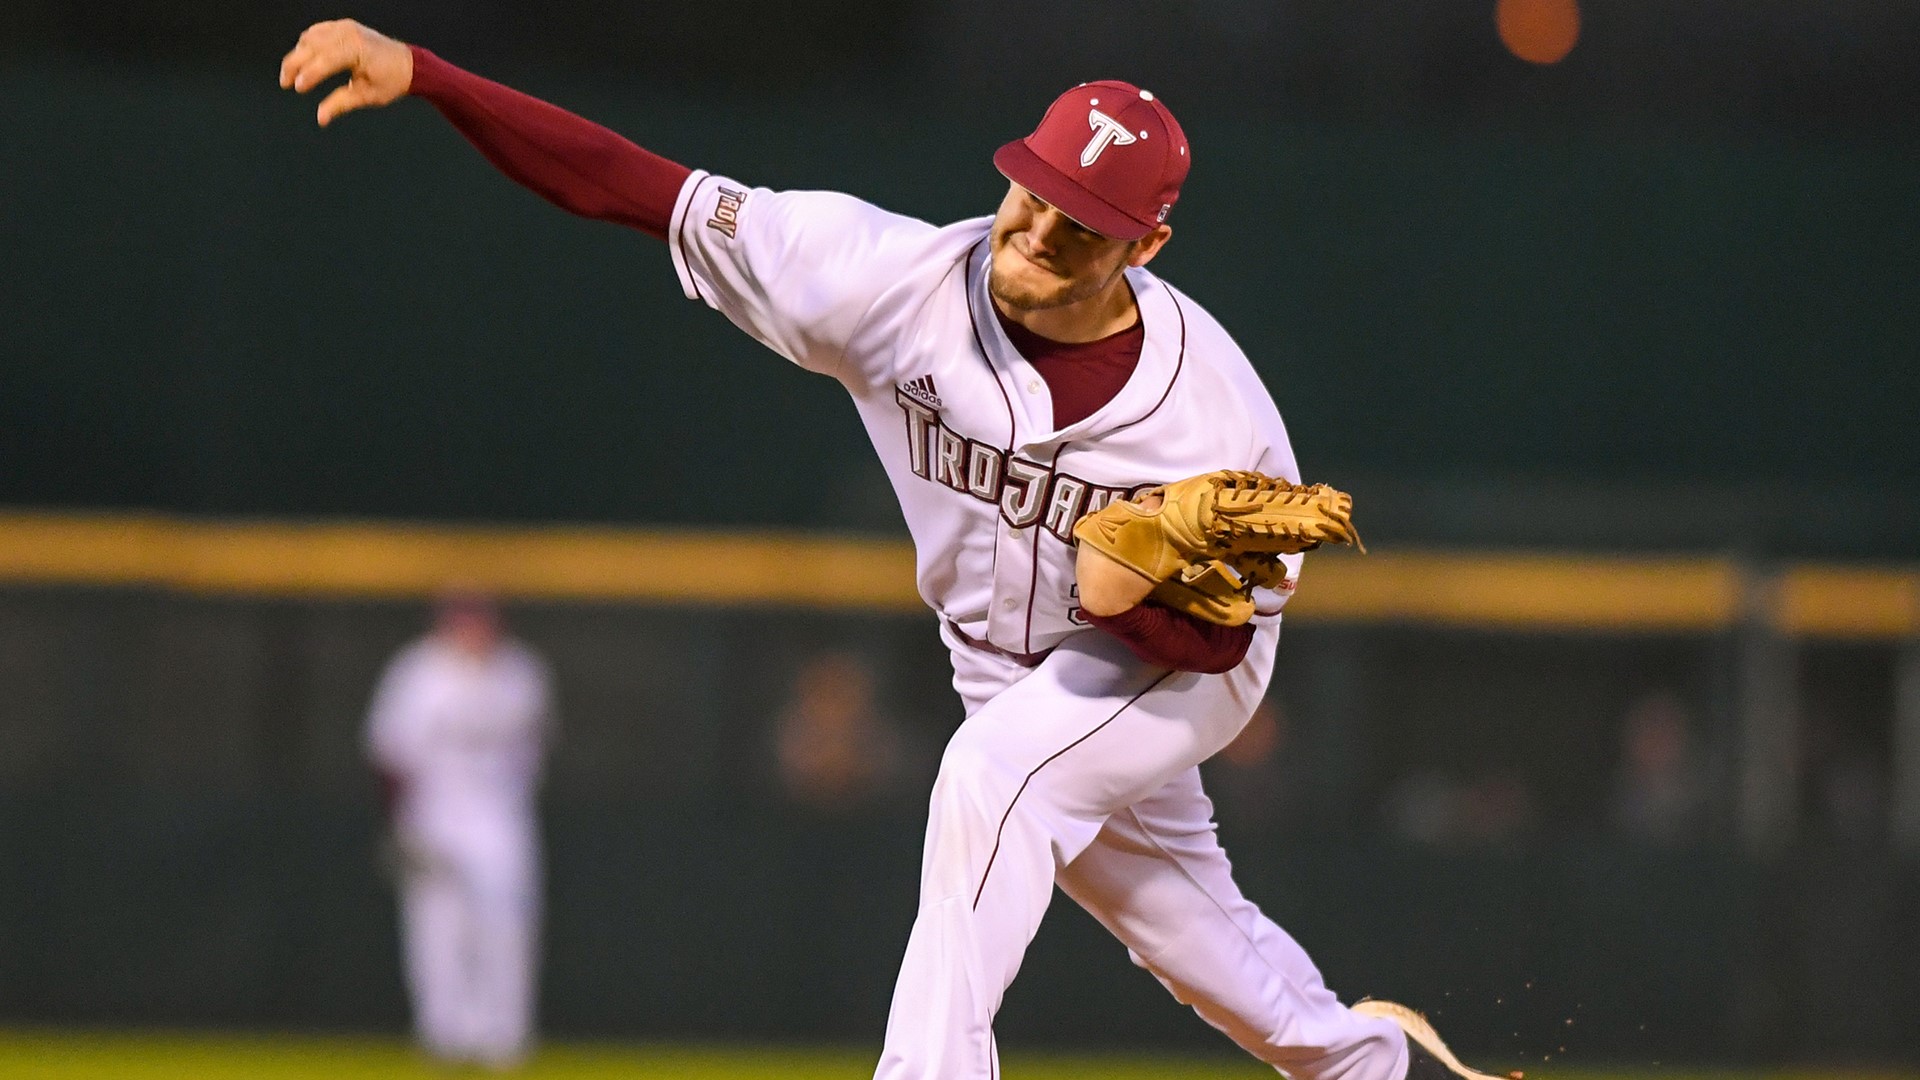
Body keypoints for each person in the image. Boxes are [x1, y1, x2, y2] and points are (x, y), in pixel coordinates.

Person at [284, 22, 1501, 1079]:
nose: (1037, 231)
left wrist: (1131, 598)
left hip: (1176, 673)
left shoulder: (1216, 416)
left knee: (990, 777)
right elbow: (632, 186)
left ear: (1147, 246)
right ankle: (1377, 1067)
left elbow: (1227, 627)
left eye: (1082, 224)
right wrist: (433, 76)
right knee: (1186, 933)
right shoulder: (884, 281)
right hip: (999, 664)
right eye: (1032, 192)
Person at [364, 590, 556, 1069]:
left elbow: (537, 750)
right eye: (463, 621)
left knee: (507, 924)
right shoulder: (417, 671)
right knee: (437, 927)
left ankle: (504, 1038)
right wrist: (399, 822)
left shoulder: (520, 672)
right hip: (435, 813)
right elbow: (389, 751)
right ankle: (443, 1033)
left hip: (499, 814)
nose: (472, 630)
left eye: (480, 620)